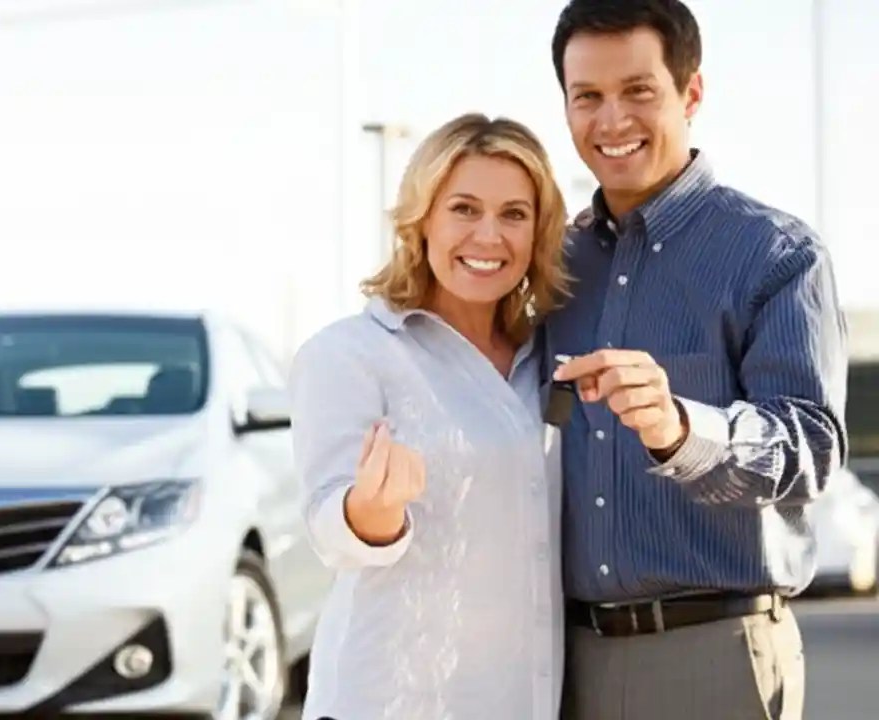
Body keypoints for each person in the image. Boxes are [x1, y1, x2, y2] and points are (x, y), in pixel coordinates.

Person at [544, 1, 849, 718]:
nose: (611, 120)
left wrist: (683, 429)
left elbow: (811, 446)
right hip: (565, 662)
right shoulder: (553, 265)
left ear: (692, 93)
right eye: (587, 97)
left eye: (638, 92)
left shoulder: (776, 255)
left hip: (716, 656)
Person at [288, 112, 571, 720]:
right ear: (421, 222)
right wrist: (374, 512)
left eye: (514, 214)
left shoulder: (545, 358)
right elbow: (327, 525)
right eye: (464, 209)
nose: (488, 236)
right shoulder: (349, 354)